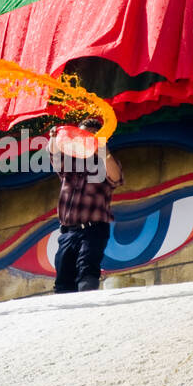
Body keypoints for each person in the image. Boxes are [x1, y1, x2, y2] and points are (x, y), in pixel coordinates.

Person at [49, 118, 123, 293]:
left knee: (87, 270)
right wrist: (53, 137)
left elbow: (117, 176)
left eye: (89, 135)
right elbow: (54, 154)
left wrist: (102, 149)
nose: (83, 139)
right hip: (68, 231)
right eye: (80, 134)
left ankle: (87, 309)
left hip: (94, 230)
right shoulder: (69, 164)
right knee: (63, 277)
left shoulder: (105, 163)